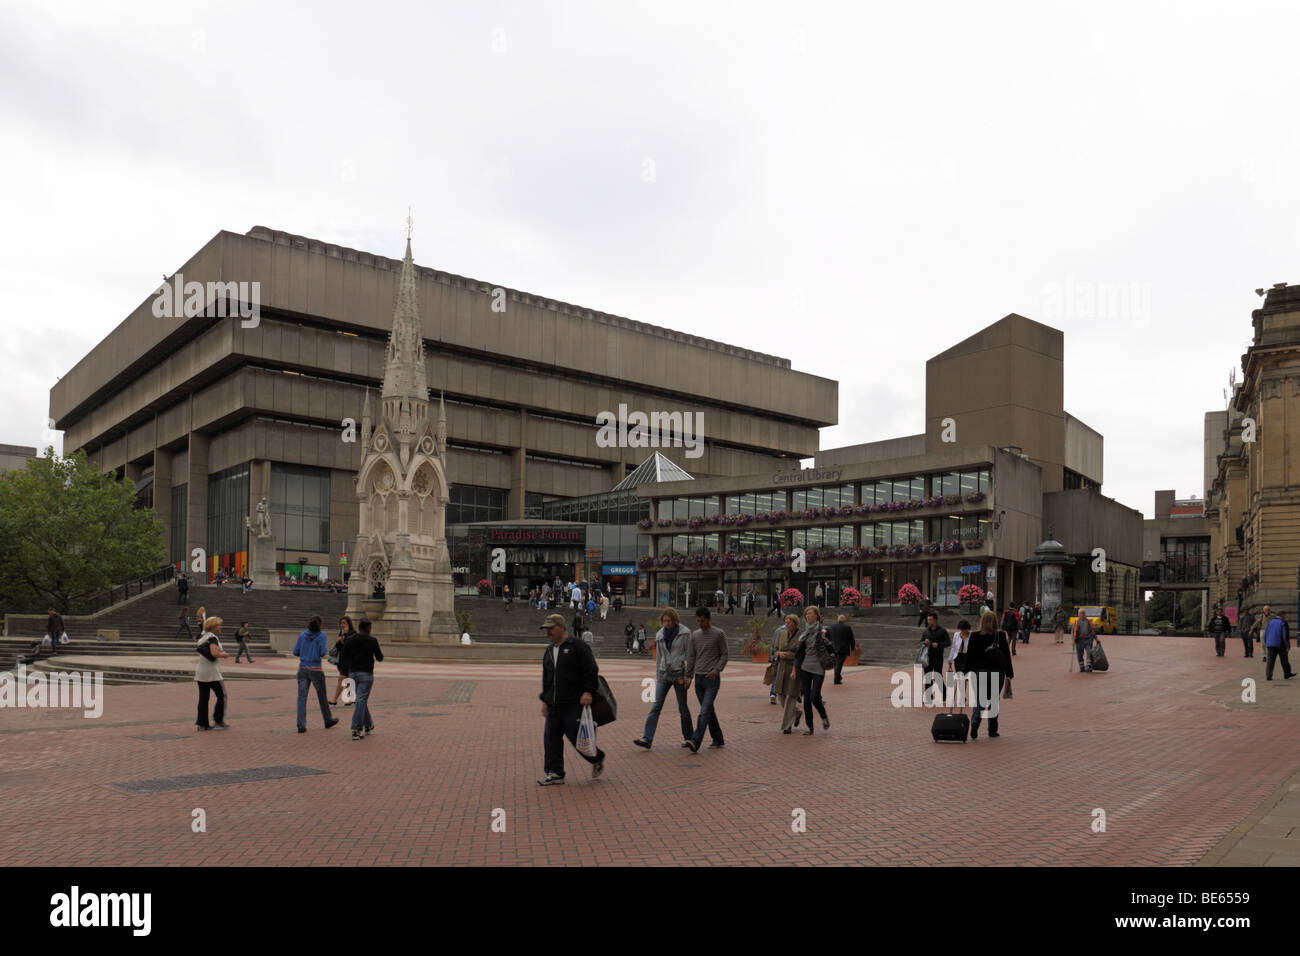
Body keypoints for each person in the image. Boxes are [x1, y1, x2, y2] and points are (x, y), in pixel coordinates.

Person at [537, 614, 605, 785]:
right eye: (546, 629)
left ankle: (596, 758)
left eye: (551, 628)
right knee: (550, 738)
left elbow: (591, 669)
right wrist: (544, 699)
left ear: (562, 627)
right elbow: (547, 677)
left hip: (574, 703)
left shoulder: (577, 646)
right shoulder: (549, 650)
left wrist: (588, 692)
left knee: (578, 739)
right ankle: (555, 772)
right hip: (554, 704)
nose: (548, 632)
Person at [635, 608, 695, 749]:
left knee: (683, 708)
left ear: (675, 620)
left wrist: (688, 676)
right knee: (656, 706)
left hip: (679, 673)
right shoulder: (660, 634)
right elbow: (659, 657)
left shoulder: (685, 633)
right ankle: (647, 738)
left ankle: (690, 738)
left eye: (669, 621)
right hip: (664, 674)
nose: (667, 623)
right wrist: (658, 674)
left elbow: (690, 655)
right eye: (664, 621)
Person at [683, 607, 728, 752]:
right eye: (698, 621)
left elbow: (724, 654)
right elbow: (691, 657)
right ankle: (718, 738)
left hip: (712, 679)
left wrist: (716, 670)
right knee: (708, 710)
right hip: (699, 679)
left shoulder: (719, 634)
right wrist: (688, 676)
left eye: (702, 621)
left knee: (704, 711)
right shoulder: (695, 635)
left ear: (709, 619)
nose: (700, 624)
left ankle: (695, 741)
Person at [967, 609, 1013, 738]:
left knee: (979, 699)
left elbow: (970, 656)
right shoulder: (1000, 635)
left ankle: (975, 720)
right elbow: (1006, 655)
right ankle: (992, 730)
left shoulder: (974, 636)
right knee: (993, 700)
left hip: (979, 672)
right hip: (996, 672)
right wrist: (1009, 672)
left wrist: (966, 671)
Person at [293, 616, 340, 733]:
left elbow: (295, 652)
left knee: (301, 697)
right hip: (315, 669)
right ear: (320, 625)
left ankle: (301, 724)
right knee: (322, 696)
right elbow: (322, 652)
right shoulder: (321, 636)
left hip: (303, 668)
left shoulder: (302, 635)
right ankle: (327, 719)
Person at [340, 618, 382, 740]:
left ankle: (368, 725)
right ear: (368, 628)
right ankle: (356, 729)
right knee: (361, 700)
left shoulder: (351, 640)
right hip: (366, 674)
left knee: (360, 700)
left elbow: (344, 655)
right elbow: (380, 657)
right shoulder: (372, 640)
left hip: (353, 673)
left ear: (359, 627)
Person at [795, 606, 831, 734]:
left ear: (817, 615)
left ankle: (824, 717)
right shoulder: (804, 633)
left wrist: (825, 639)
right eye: (806, 614)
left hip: (818, 667)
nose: (808, 616)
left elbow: (832, 648)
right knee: (806, 699)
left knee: (814, 697)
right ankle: (810, 727)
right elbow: (799, 653)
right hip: (805, 667)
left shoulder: (823, 630)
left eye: (810, 614)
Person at [195, 616, 230, 731]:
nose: (221, 627)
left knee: (204, 698)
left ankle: (202, 723)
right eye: (219, 625)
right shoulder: (213, 638)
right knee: (222, 695)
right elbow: (214, 653)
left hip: (201, 671)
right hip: (212, 673)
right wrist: (223, 654)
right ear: (213, 627)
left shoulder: (203, 637)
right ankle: (218, 720)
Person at [772, 613, 804, 734]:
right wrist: (778, 654)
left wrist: (789, 655)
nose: (787, 624)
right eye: (786, 622)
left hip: (794, 669)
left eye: (789, 622)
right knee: (780, 695)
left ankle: (787, 726)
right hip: (781, 668)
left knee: (791, 696)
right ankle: (796, 712)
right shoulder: (781, 634)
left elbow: (802, 653)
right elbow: (774, 650)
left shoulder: (801, 635)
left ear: (795, 623)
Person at [919, 611, 950, 704]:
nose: (929, 621)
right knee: (928, 677)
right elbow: (921, 642)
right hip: (927, 657)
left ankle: (944, 694)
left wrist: (939, 645)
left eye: (930, 619)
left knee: (938, 676)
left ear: (935, 620)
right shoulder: (926, 631)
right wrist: (925, 643)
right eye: (928, 619)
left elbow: (948, 642)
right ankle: (929, 696)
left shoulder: (942, 631)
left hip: (938, 656)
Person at [1262, 606, 1296, 681]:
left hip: (1270, 644)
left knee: (1270, 661)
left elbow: (1265, 634)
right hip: (1280, 644)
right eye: (1284, 615)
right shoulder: (1282, 623)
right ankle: (1287, 674)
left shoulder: (1270, 622)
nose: (1285, 617)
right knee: (1284, 660)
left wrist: (1266, 642)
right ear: (1282, 615)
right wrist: (1287, 646)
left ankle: (1268, 675)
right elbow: (1284, 636)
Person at [329, 616, 357, 705]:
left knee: (341, 679)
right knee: (347, 679)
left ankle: (334, 699)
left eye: (344, 623)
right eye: (341, 623)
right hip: (342, 660)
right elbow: (341, 649)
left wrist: (345, 635)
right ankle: (350, 699)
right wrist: (338, 642)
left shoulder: (353, 634)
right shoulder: (341, 634)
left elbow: (351, 647)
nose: (342, 625)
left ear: (349, 624)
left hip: (350, 660)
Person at [948, 619, 973, 707]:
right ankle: (962, 696)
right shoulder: (956, 635)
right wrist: (950, 659)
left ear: (967, 629)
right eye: (961, 629)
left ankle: (962, 696)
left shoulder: (972, 636)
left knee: (965, 677)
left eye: (964, 629)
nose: (962, 631)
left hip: (967, 658)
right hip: (958, 657)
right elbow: (953, 647)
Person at [826, 613, 857, 685]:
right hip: (843, 648)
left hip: (833, 648)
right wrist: (852, 648)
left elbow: (827, 636)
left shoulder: (831, 626)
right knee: (839, 664)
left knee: (836, 663)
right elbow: (851, 638)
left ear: (838, 619)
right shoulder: (847, 627)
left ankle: (838, 677)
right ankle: (836, 679)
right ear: (844, 620)